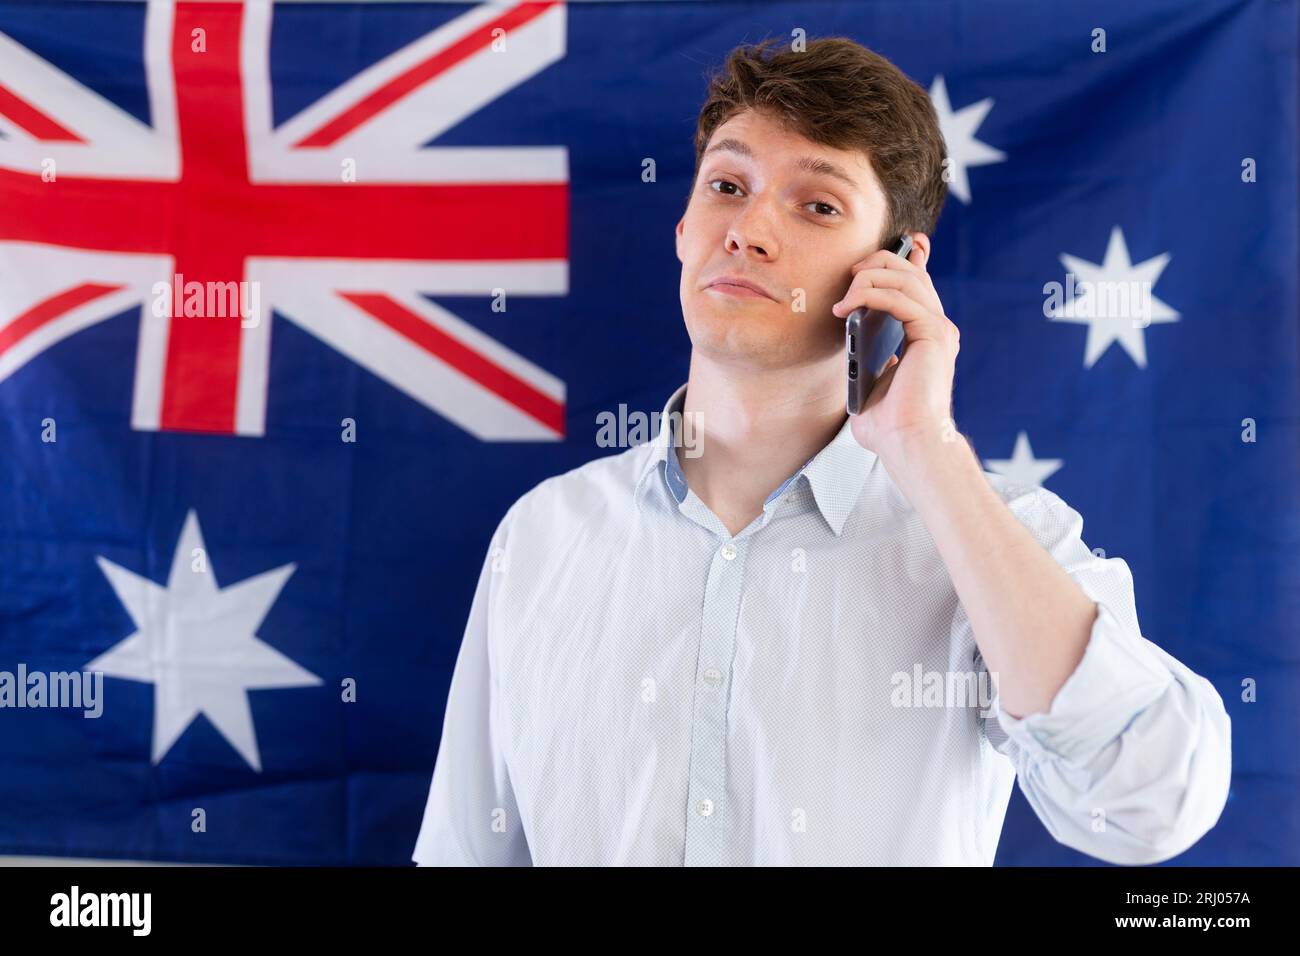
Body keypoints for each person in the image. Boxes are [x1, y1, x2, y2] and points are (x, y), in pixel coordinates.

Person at [412, 36, 1231, 866]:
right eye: (728, 187)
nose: (750, 231)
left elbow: (1147, 806)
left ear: (898, 268)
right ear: (685, 226)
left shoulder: (992, 538)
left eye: (818, 205)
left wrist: (926, 450)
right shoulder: (544, 534)